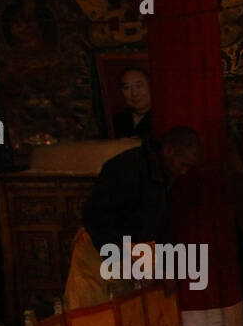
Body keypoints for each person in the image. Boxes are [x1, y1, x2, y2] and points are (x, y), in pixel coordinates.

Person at [62, 127, 201, 309]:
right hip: (97, 261)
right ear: (168, 151)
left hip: (131, 261)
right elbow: (95, 218)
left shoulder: (165, 175)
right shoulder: (124, 168)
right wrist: (123, 260)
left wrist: (164, 267)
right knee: (95, 325)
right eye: (183, 165)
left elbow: (161, 225)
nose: (184, 172)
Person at [112, 67, 153, 140]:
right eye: (126, 88)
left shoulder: (162, 118)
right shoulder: (116, 121)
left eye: (139, 86)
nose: (134, 93)